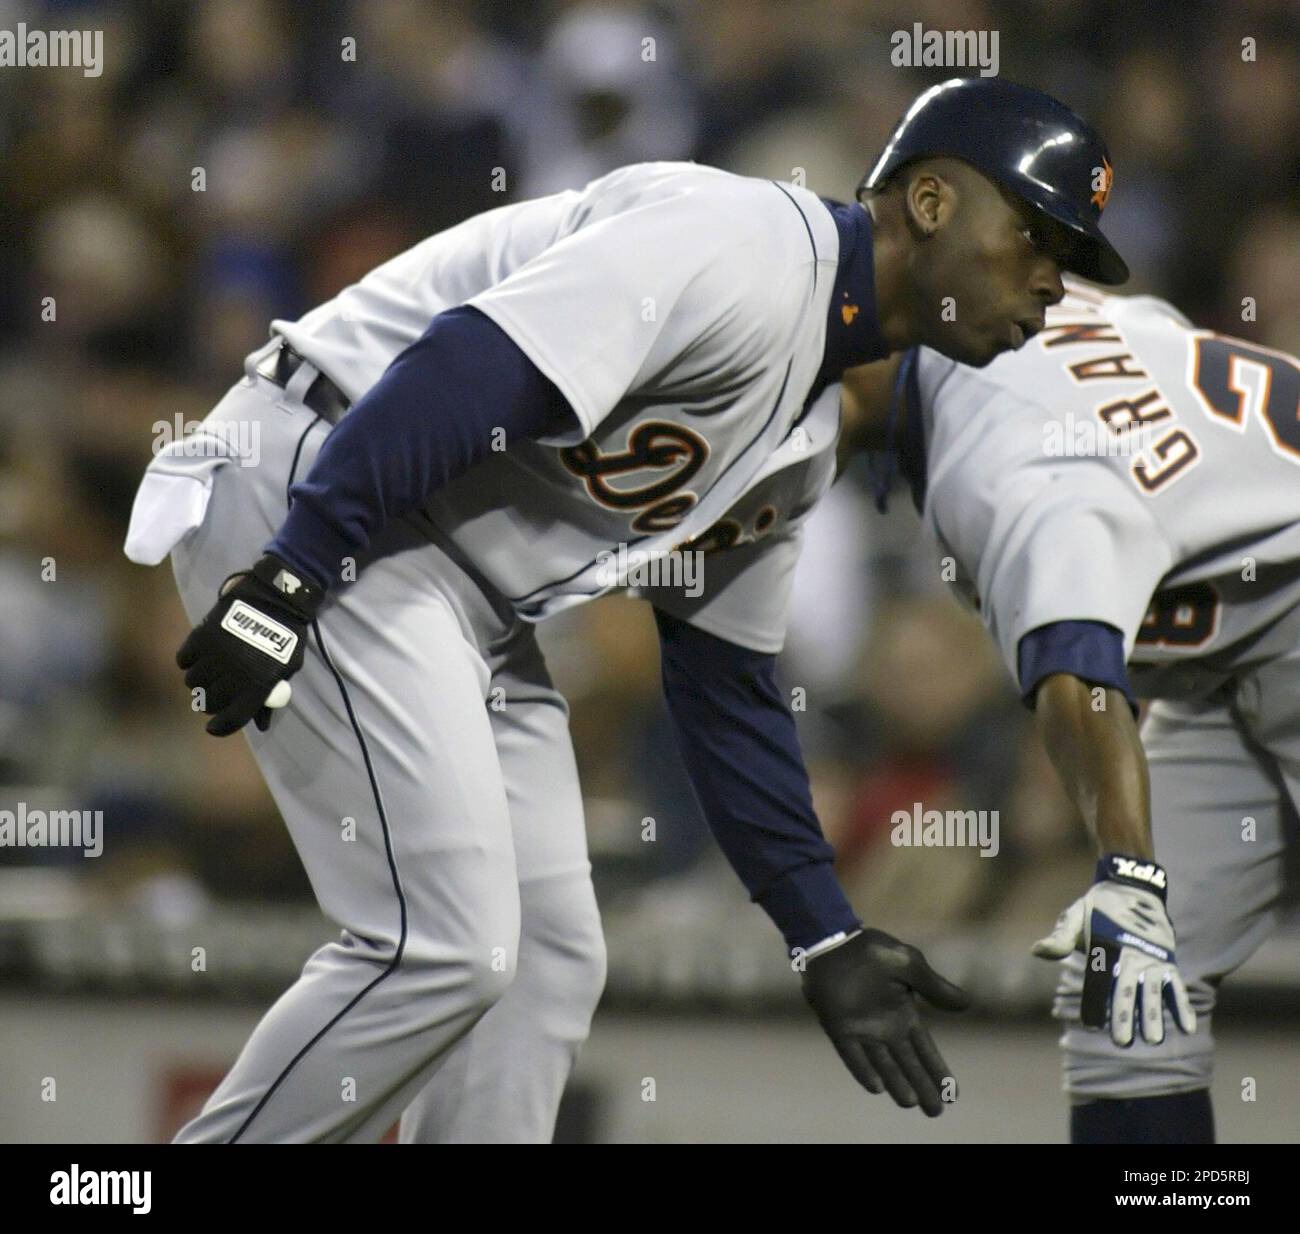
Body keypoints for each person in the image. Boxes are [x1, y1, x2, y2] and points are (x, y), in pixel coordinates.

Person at [122, 78, 1126, 1142]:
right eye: (1036, 235)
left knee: (548, 959)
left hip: (453, 582)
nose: (1050, 280)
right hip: (326, 481)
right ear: (929, 201)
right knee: (443, 947)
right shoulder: (743, 242)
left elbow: (724, 687)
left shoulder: (800, 440)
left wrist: (822, 932)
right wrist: (292, 575)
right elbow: (466, 366)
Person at [839, 279, 1300, 1144]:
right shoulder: (995, 314)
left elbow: (1080, 676)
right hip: (1234, 651)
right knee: (1124, 1001)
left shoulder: (999, 448)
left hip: (1278, 601)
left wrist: (1129, 877)